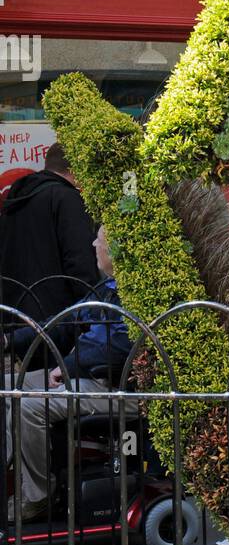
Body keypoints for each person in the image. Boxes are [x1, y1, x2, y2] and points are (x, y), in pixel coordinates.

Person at [4, 225, 134, 524]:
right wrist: (9, 340)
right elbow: (59, 323)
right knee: (7, 387)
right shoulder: (106, 289)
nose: (92, 243)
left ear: (115, 249)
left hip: (113, 385)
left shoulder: (133, 296)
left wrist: (68, 369)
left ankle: (37, 497)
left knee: (29, 405)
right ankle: (15, 479)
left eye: (99, 239)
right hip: (81, 375)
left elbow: (120, 350)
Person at [0, 142, 98, 324]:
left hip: (13, 316)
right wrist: (91, 311)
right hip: (55, 321)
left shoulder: (15, 199)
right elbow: (80, 261)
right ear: (76, 168)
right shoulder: (68, 199)